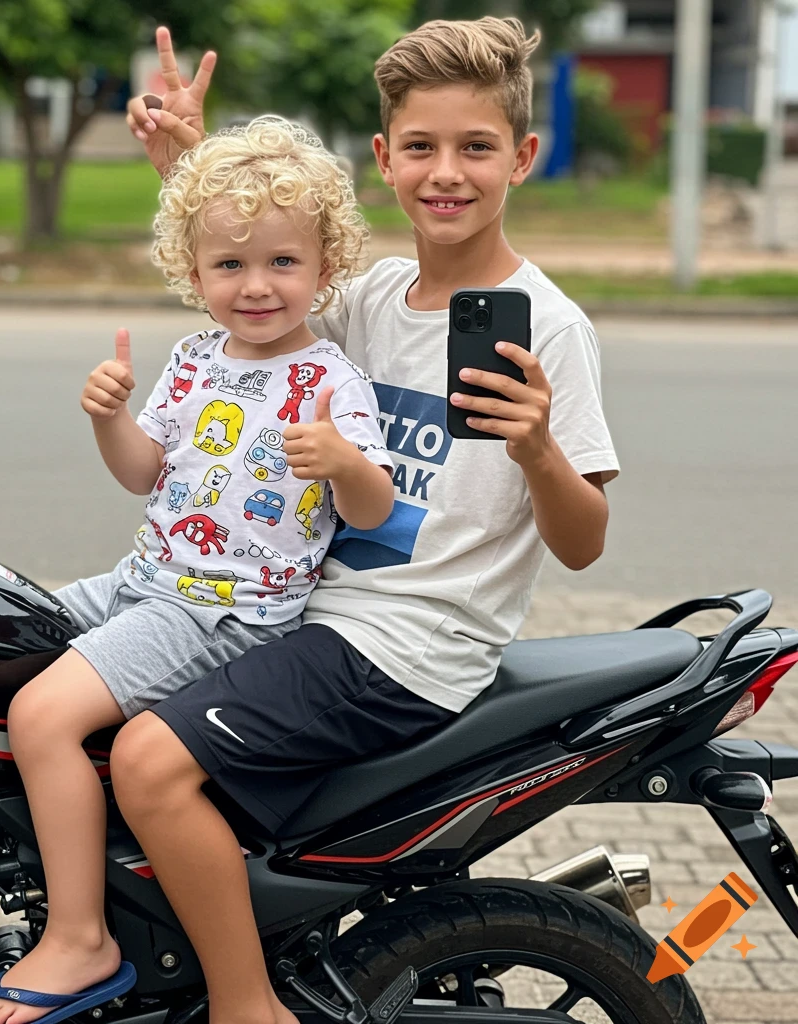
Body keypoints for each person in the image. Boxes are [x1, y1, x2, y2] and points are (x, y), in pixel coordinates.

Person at [105, 15, 622, 1024]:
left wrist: (535, 449)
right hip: (303, 610)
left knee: (147, 763)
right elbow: (256, 278)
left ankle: (246, 1005)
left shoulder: (549, 325)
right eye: (421, 147)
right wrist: (193, 161)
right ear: (384, 159)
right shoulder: (372, 298)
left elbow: (583, 539)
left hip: (407, 643)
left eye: (476, 148)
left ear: (523, 155)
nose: (447, 174)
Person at [0, 116, 394, 1024]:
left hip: (222, 612)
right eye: (229, 266)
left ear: (325, 265)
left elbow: (374, 512)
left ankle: (81, 937)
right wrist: (106, 416)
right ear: (193, 273)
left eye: (282, 262)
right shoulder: (196, 358)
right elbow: (142, 474)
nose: (256, 285)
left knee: (44, 713)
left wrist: (345, 465)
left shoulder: (330, 380)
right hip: (145, 580)